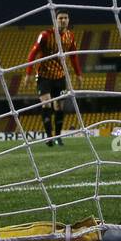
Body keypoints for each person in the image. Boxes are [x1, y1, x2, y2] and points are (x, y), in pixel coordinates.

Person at [25, 9, 82, 147]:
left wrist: (78, 74)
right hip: (44, 76)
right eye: (60, 18)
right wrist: (28, 73)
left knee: (59, 106)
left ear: (68, 20)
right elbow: (33, 53)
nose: (63, 20)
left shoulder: (70, 36)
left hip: (60, 77)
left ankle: (58, 137)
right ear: (55, 20)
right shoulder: (45, 35)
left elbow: (73, 56)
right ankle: (49, 137)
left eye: (65, 18)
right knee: (46, 104)